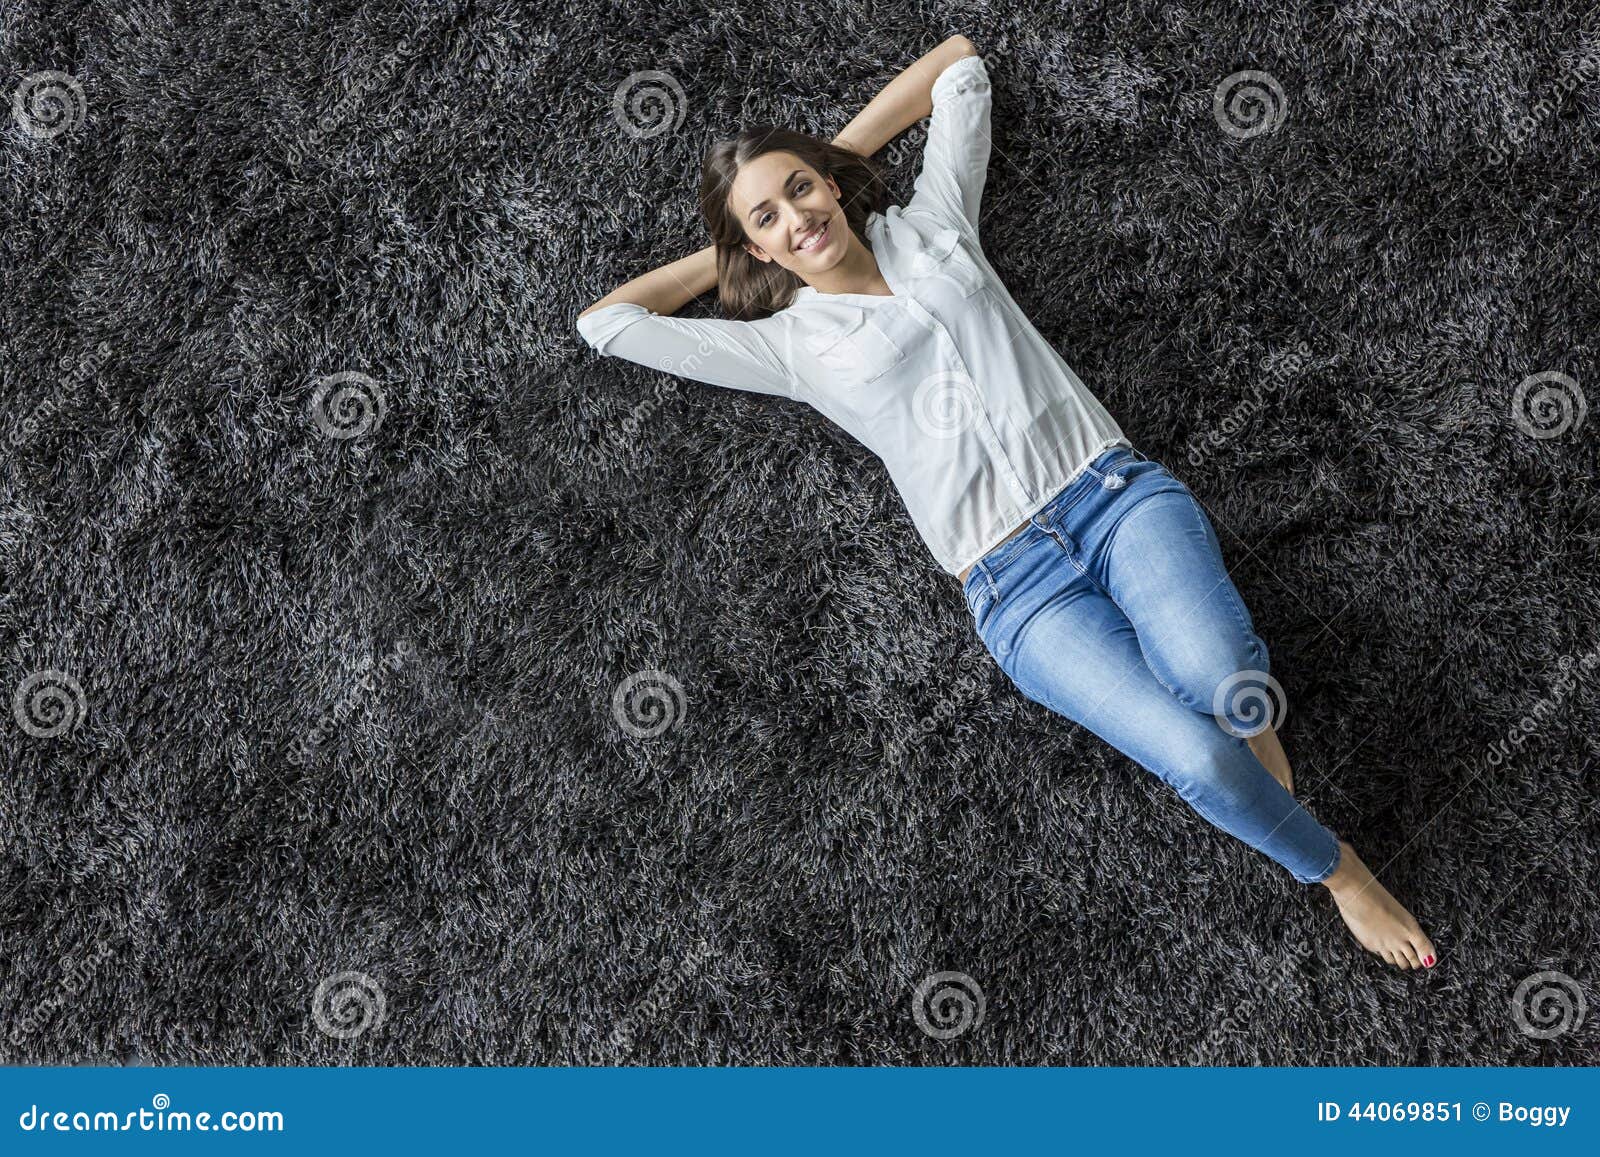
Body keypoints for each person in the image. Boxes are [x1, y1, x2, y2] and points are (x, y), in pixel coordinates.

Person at [577, 36, 1436, 971]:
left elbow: (957, 66)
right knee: (1195, 763)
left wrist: (831, 162)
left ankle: (1244, 737)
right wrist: (743, 244)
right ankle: (1341, 872)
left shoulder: (935, 225)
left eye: (803, 191)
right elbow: (609, 322)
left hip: (1111, 498)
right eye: (768, 220)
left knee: (1224, 680)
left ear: (832, 182)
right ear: (751, 244)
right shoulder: (787, 346)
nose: (797, 219)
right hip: (1016, 591)